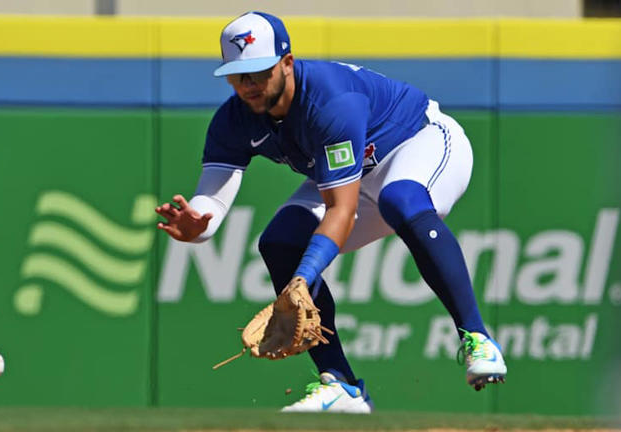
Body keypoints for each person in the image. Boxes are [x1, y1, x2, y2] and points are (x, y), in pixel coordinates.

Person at [155, 11, 507, 414]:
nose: (248, 85)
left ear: (287, 63)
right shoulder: (233, 120)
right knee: (279, 242)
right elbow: (212, 202)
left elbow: (342, 208)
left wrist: (304, 278)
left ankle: (478, 338)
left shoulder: (329, 100)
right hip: (355, 178)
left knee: (401, 200)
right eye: (238, 74)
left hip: (418, 144)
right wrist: (197, 224)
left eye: (258, 71)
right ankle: (342, 386)